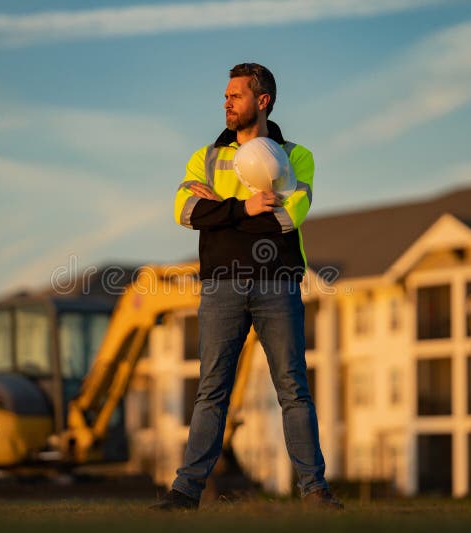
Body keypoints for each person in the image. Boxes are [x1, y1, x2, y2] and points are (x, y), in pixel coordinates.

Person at [151, 63, 343, 510]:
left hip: (277, 283)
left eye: (235, 95)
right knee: (211, 392)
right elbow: (184, 211)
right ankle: (185, 492)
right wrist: (245, 207)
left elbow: (286, 218)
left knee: (293, 389)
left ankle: (315, 491)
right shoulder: (205, 156)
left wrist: (220, 212)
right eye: (225, 95)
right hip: (220, 286)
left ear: (263, 100)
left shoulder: (297, 156)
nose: (226, 102)